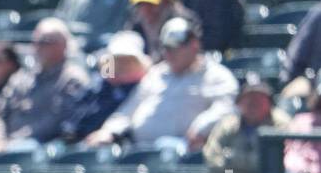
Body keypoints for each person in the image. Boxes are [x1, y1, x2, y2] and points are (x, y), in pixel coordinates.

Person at [86, 16, 238, 148]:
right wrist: (109, 131)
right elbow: (130, 108)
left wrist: (202, 127)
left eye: (175, 48)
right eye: (166, 48)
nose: (169, 53)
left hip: (185, 151)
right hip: (141, 150)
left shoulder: (216, 75)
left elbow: (226, 106)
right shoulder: (156, 73)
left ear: (194, 45)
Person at [0, 18, 89, 149]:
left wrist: (16, 140)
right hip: (6, 145)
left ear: (63, 45)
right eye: (36, 42)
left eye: (45, 42)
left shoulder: (72, 79)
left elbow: (61, 122)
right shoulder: (21, 78)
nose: (37, 47)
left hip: (42, 148)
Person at [60, 30, 149, 141]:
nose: (120, 65)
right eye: (116, 60)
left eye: (126, 60)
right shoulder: (100, 85)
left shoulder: (141, 87)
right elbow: (78, 115)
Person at [203, 73, 291, 173]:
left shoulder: (282, 124)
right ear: (238, 102)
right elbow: (211, 156)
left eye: (259, 98)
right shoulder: (228, 124)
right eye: (248, 97)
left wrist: (233, 159)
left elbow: (289, 160)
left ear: (270, 102)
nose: (253, 103)